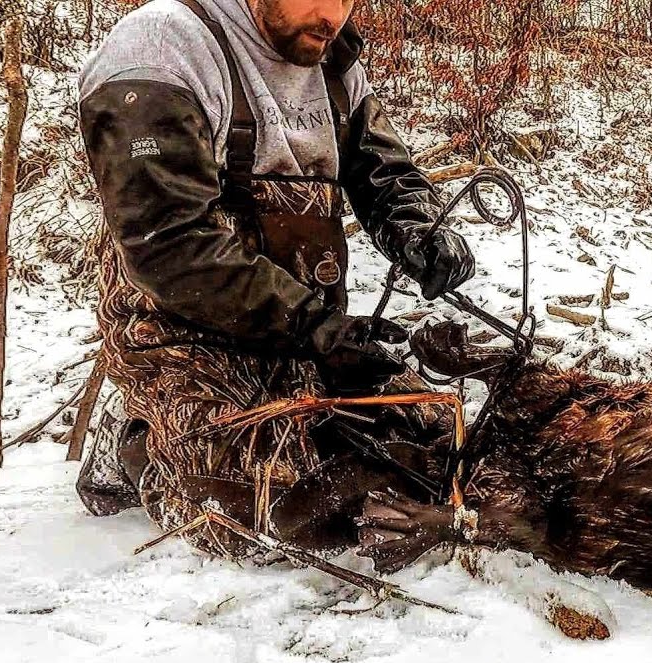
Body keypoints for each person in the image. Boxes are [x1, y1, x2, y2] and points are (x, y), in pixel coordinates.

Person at [74, 0, 473, 556]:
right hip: (181, 328)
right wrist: (316, 327)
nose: (332, 15)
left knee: (436, 449)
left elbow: (384, 173)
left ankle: (272, 403)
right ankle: (135, 437)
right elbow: (168, 242)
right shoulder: (162, 47)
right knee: (270, 516)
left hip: (300, 323)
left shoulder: (333, 58)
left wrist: (418, 229)